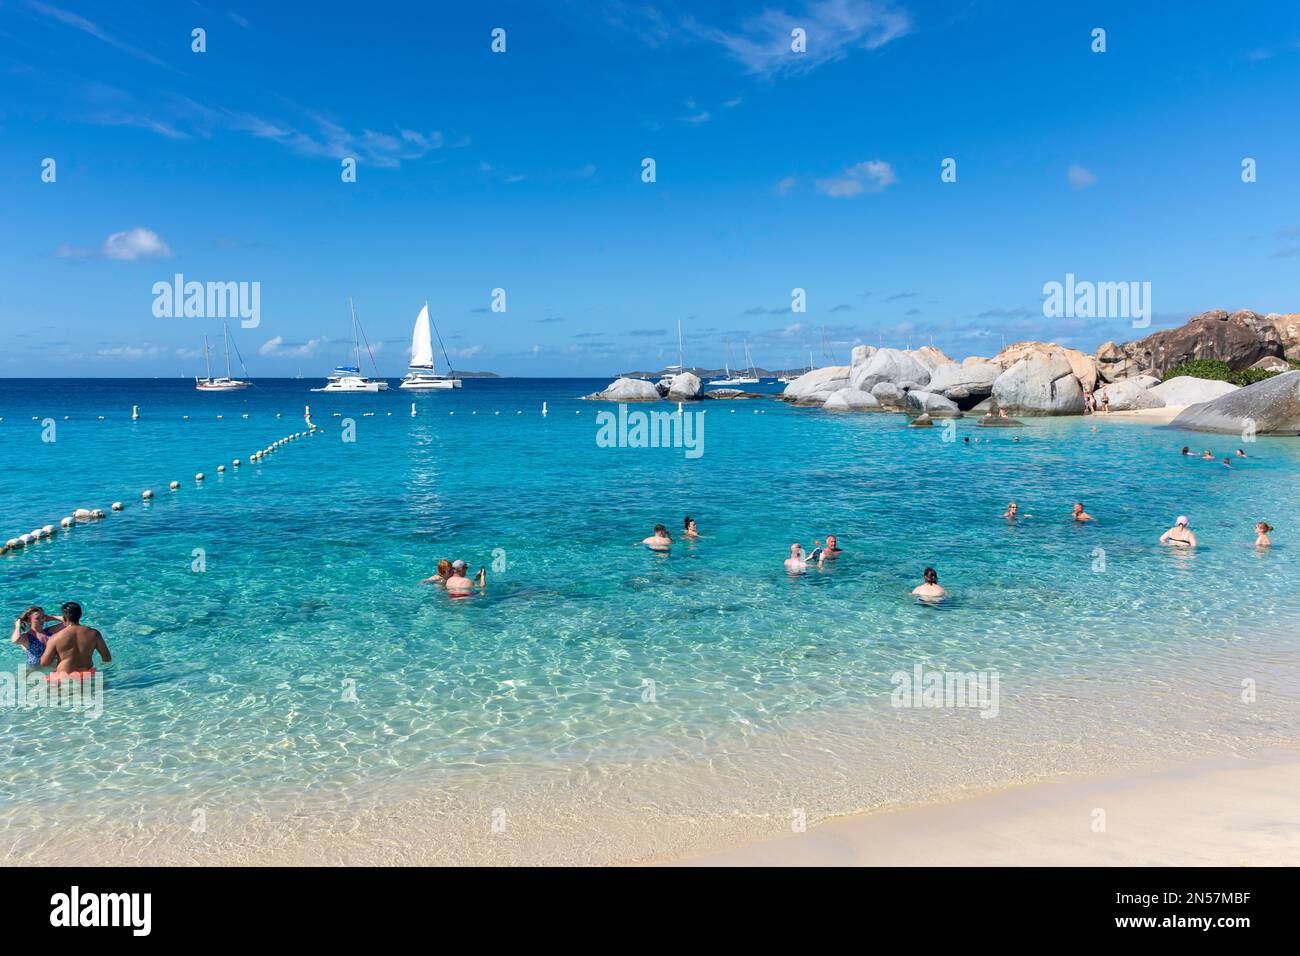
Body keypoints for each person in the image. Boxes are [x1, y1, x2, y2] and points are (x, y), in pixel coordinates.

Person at [39, 602, 109, 679]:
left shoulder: (55, 637)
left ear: (64, 618)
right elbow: (107, 658)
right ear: (80, 615)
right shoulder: (94, 633)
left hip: (64, 677)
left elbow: (44, 663)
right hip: (87, 675)